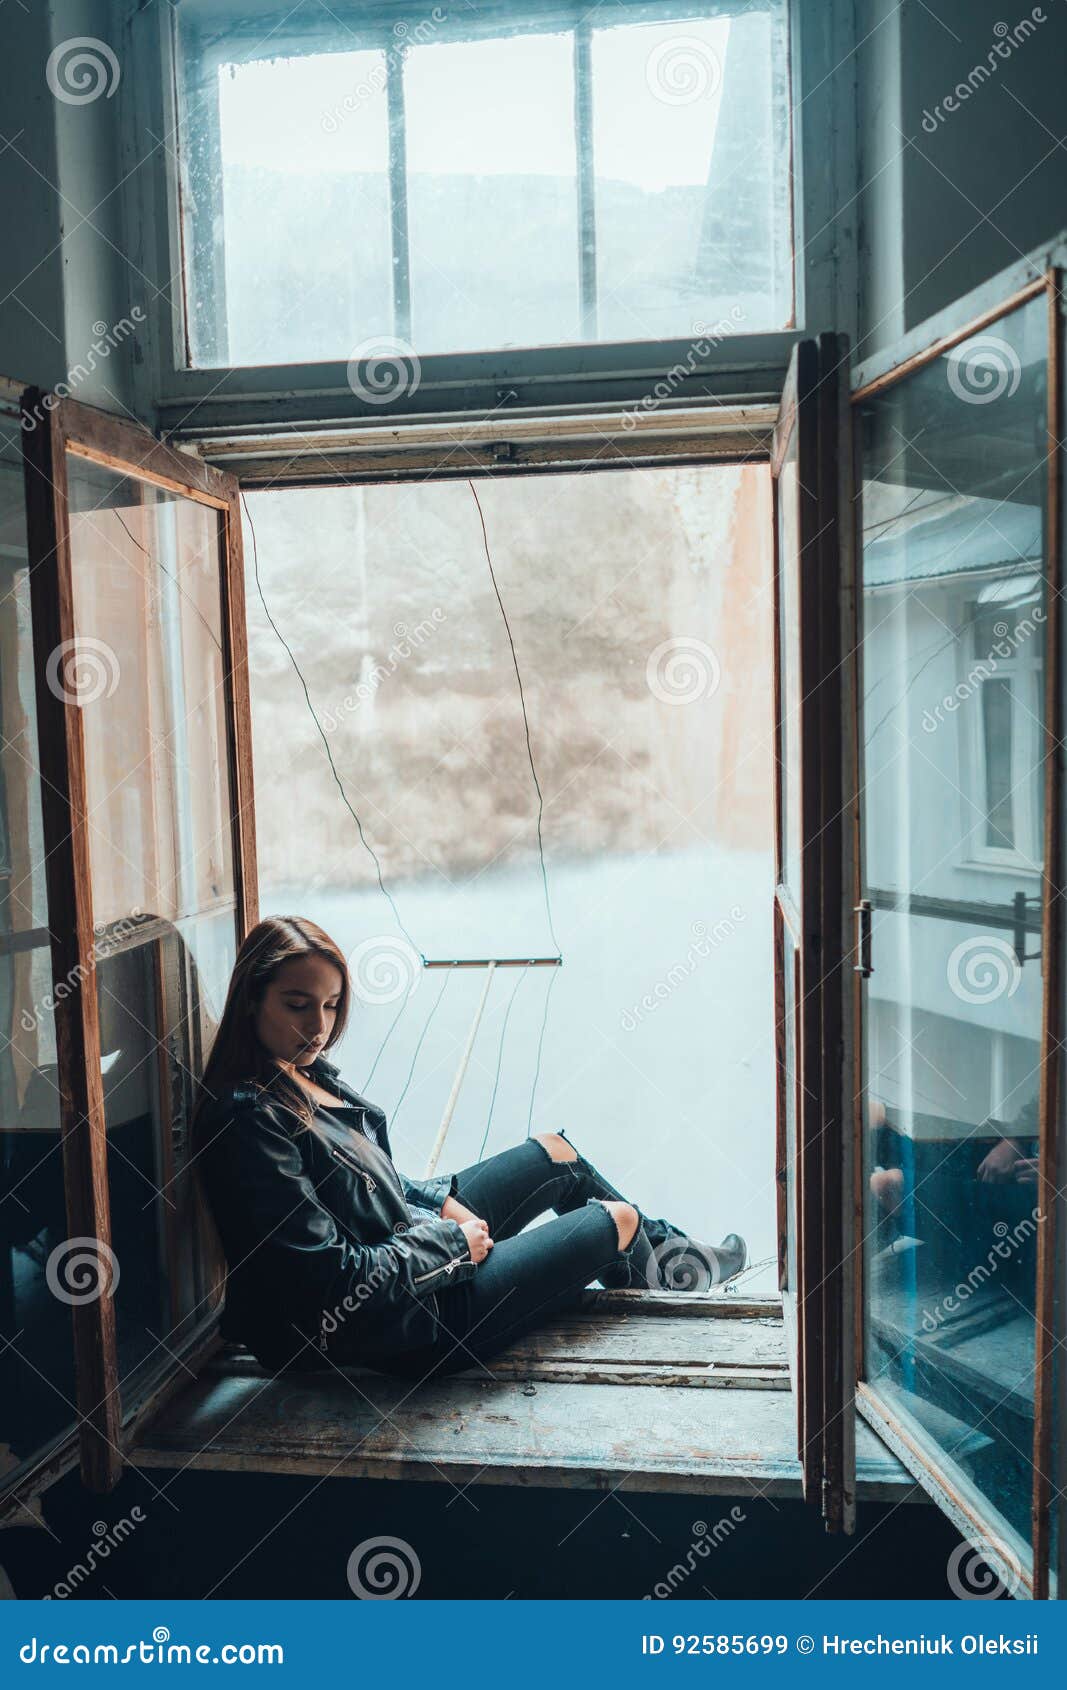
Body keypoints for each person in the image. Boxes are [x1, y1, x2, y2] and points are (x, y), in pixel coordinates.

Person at [193, 916, 748, 1379]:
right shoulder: (247, 1122)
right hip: (407, 1325)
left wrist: (438, 1203)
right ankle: (669, 1307)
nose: (318, 1026)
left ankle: (678, 1264)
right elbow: (328, 1285)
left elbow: (368, 1180)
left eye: (332, 1005)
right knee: (615, 1220)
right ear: (250, 1000)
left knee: (555, 1154)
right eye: (297, 1004)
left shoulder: (300, 1074)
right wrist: (453, 1245)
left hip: (408, 1242)